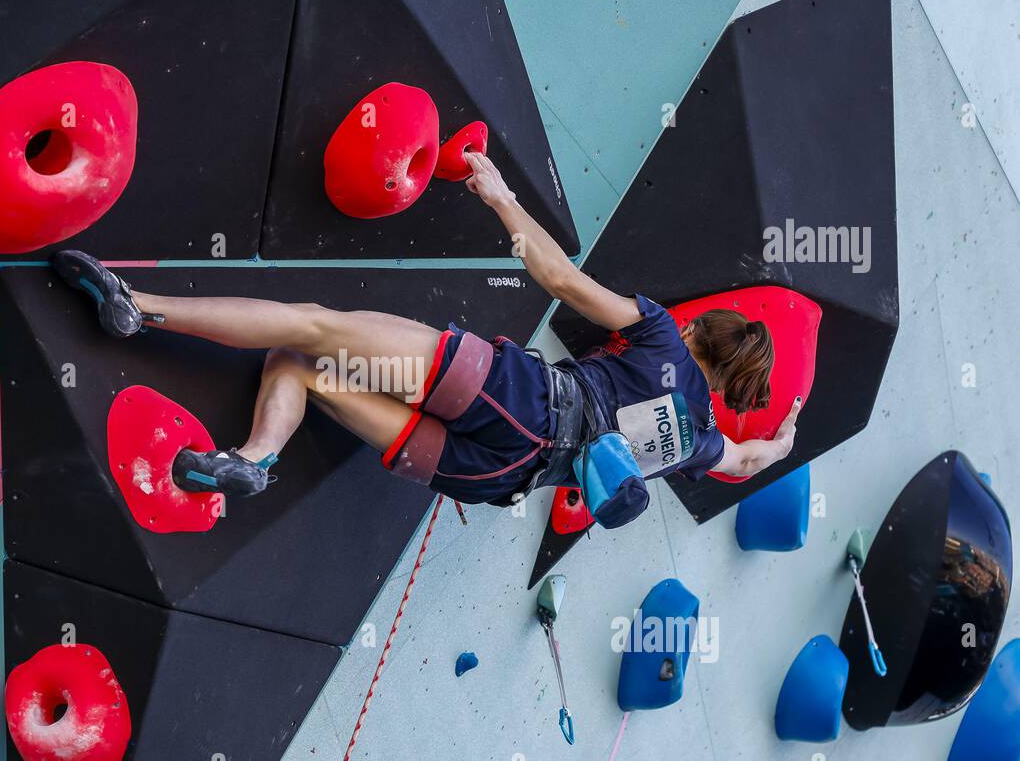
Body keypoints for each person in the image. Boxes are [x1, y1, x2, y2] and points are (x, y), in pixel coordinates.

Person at [51, 151, 800, 507]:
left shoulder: (665, 335)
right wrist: (785, 438)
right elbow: (749, 463)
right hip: (498, 476)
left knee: (315, 328)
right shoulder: (704, 445)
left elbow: (563, 280)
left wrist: (503, 199)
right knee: (302, 369)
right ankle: (252, 458)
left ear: (704, 333)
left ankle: (137, 306)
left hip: (514, 397)